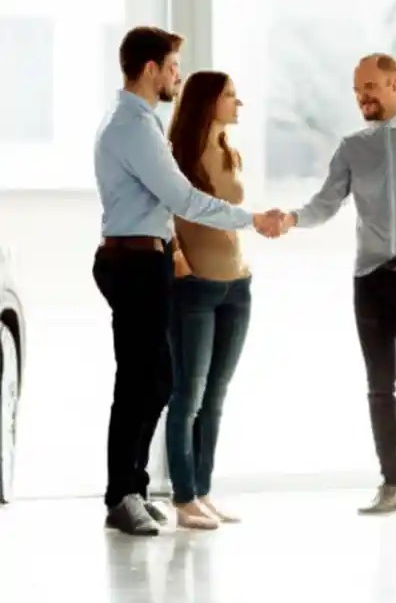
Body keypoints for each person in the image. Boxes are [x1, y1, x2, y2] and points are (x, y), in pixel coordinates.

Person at [92, 26, 282, 536]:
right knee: (141, 380)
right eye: (173, 65)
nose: (178, 74)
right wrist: (251, 218)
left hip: (142, 258)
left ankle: (131, 486)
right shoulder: (133, 127)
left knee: (151, 378)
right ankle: (121, 495)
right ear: (151, 69)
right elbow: (184, 199)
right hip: (132, 261)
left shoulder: (140, 122)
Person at [276, 53, 396, 520]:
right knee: (381, 386)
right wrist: (292, 218)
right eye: (358, 89)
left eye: (371, 87)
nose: (363, 96)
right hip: (371, 282)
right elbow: (324, 204)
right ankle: (392, 483)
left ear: (395, 84)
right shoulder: (351, 148)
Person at [164, 70, 254, 530]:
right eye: (230, 96)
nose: (239, 104)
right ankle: (182, 497)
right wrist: (178, 256)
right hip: (195, 288)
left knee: (215, 396)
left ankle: (202, 490)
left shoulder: (229, 150)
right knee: (188, 395)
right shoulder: (175, 154)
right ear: (207, 102)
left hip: (237, 286)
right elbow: (161, 210)